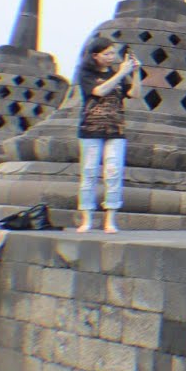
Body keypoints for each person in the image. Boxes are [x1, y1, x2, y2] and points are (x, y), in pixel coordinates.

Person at [75, 37, 141, 234]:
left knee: (113, 172)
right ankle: (87, 219)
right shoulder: (86, 74)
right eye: (107, 53)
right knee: (89, 172)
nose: (112, 57)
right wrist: (121, 73)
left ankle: (110, 219)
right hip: (91, 128)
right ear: (95, 56)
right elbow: (99, 91)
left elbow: (135, 94)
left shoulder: (116, 74)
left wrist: (135, 72)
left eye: (113, 53)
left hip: (115, 129)